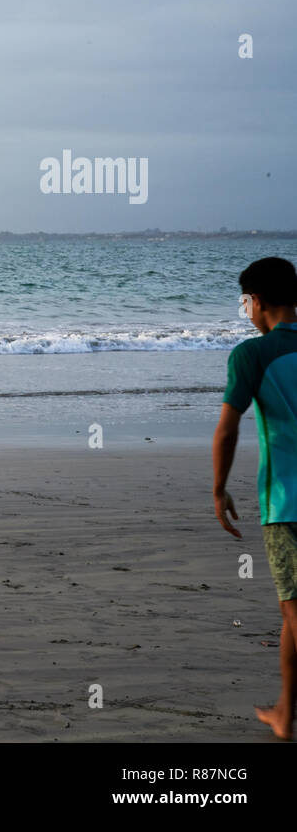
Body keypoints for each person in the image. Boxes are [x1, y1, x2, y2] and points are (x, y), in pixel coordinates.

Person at [213, 256, 297, 740]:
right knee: (291, 610)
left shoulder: (252, 355)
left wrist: (219, 488)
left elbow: (227, 431)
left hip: (285, 503)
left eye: (246, 301)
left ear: (257, 301)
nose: (246, 310)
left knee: (294, 608)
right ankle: (287, 713)